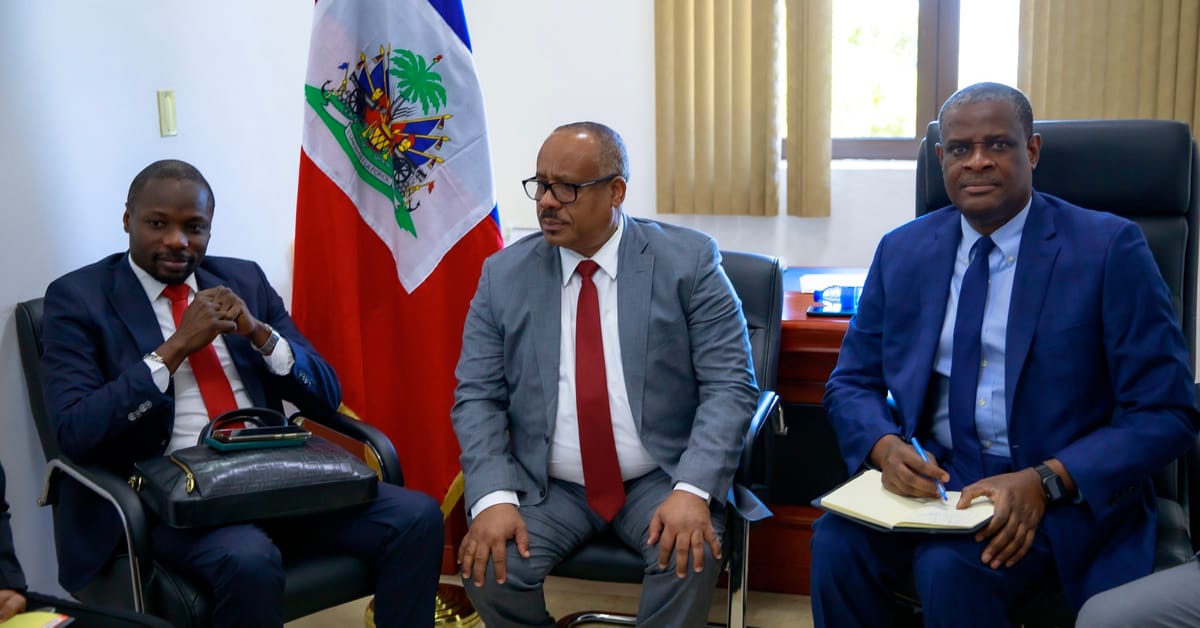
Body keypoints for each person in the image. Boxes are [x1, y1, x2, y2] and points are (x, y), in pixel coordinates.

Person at [809, 82, 1200, 627]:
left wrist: (1048, 478)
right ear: (941, 159)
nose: (978, 163)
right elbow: (851, 382)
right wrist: (883, 446)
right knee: (836, 544)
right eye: (961, 149)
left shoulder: (1109, 249)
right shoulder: (903, 250)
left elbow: (1168, 413)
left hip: (1061, 488)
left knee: (951, 568)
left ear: (1032, 151)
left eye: (998, 145)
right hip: (941, 481)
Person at [39, 159, 444, 628]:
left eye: (194, 227)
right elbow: (74, 430)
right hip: (168, 498)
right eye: (157, 224)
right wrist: (173, 350)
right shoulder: (77, 298)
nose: (177, 240)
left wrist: (259, 333)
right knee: (248, 559)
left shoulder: (244, 280)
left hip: (273, 478)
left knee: (416, 516)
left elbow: (325, 395)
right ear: (127, 219)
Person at [451, 121, 759, 627]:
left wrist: (692, 489)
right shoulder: (502, 276)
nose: (547, 202)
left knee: (687, 552)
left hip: (658, 475)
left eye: (566, 188)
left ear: (616, 191)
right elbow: (477, 397)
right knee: (490, 565)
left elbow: (730, 385)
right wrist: (493, 497)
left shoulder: (689, 262)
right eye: (540, 185)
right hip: (551, 484)